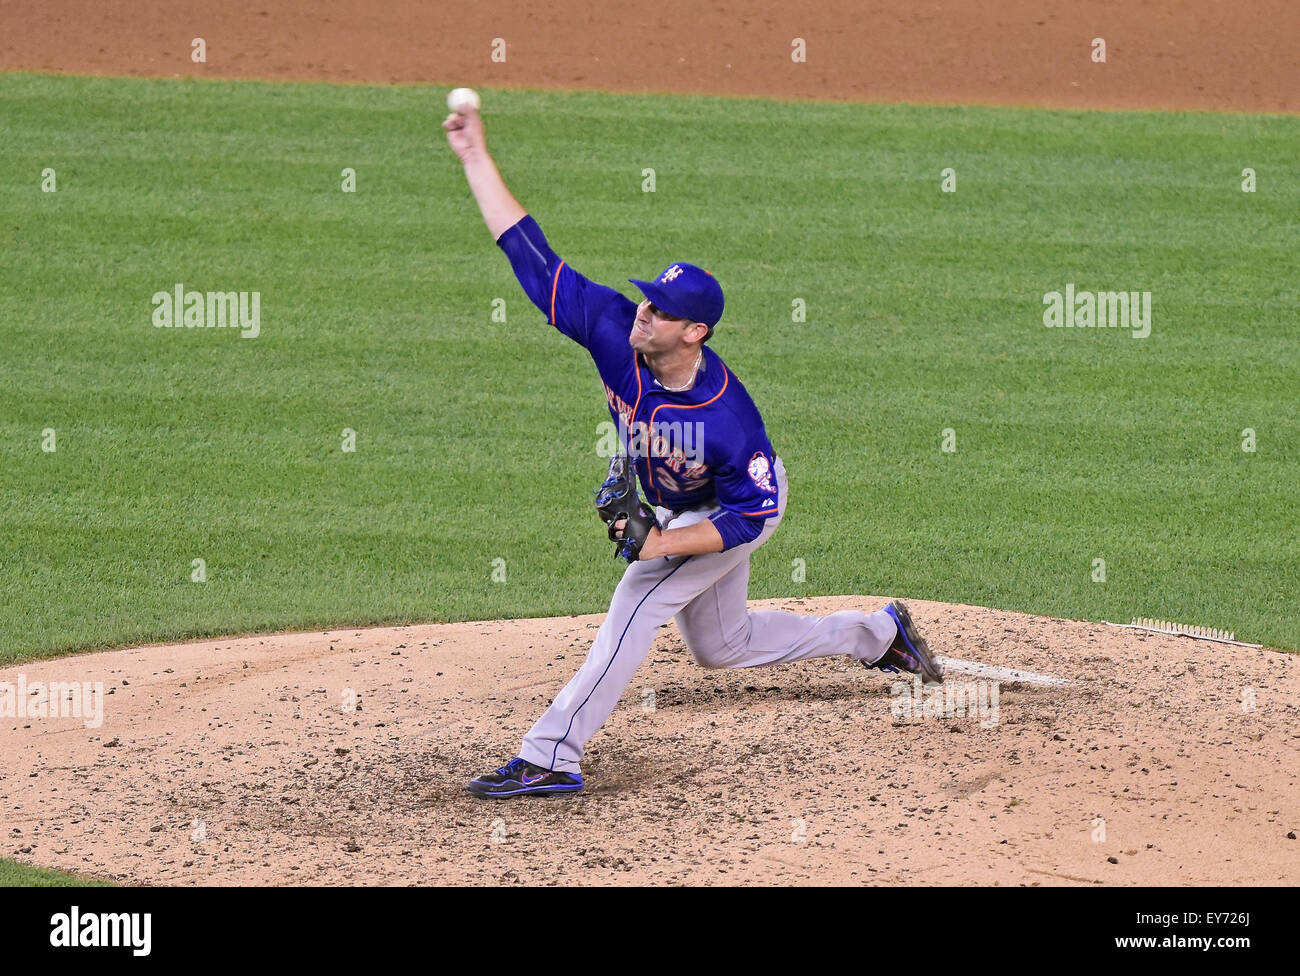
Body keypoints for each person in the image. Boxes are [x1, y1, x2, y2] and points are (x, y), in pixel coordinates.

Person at [442, 105, 943, 799]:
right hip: (684, 508)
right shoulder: (616, 331)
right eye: (645, 301)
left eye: (660, 310)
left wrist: (656, 548)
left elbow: (748, 518)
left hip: (734, 511)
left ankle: (551, 753)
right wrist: (475, 156)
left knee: (636, 606)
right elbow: (533, 258)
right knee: (721, 647)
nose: (641, 311)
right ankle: (878, 635)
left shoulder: (728, 421)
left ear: (694, 333)